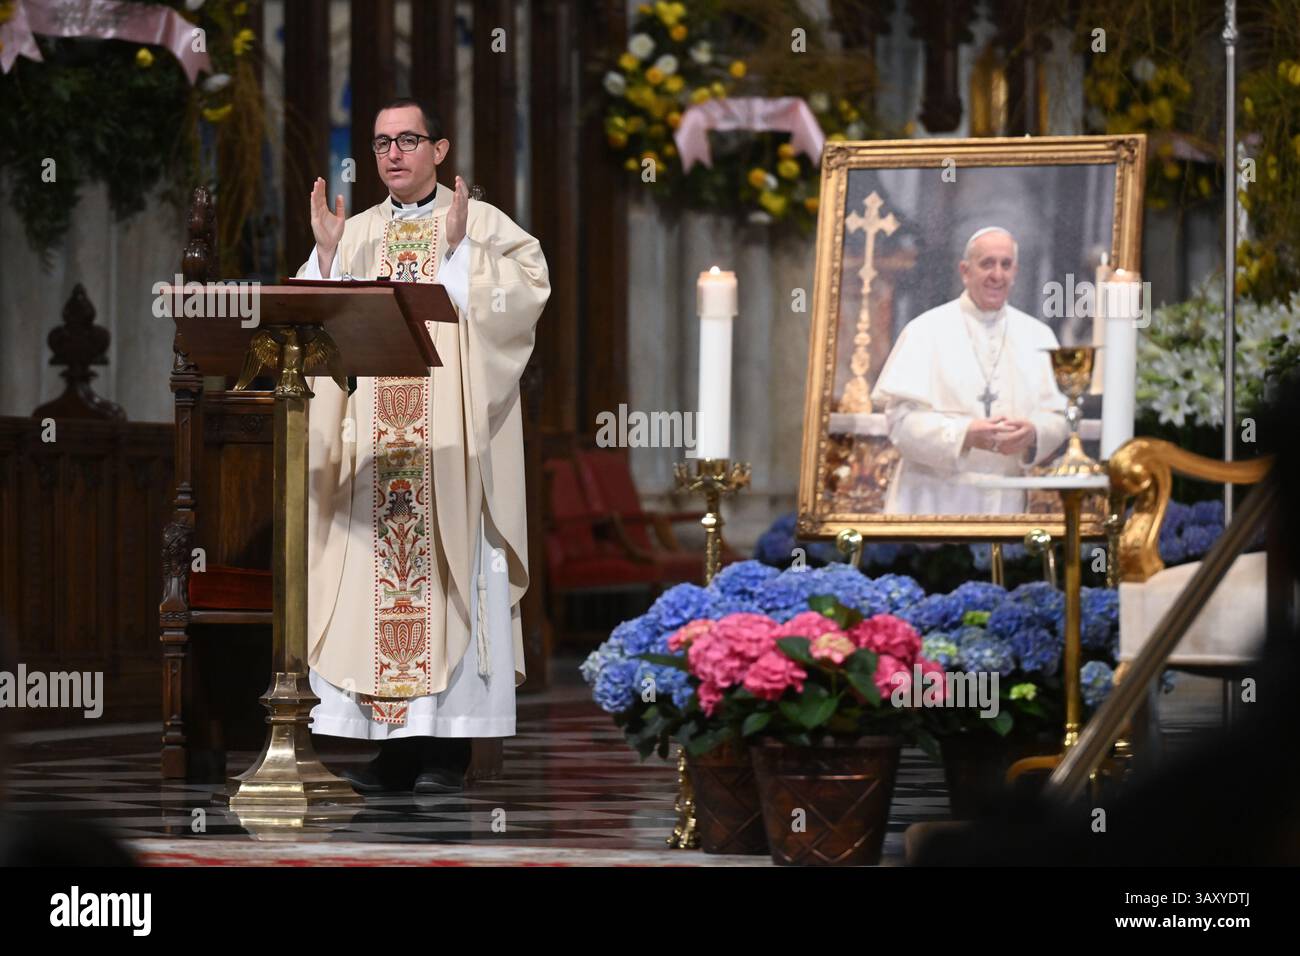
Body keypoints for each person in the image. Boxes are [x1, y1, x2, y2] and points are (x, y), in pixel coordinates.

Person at [297, 97, 549, 794]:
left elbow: (527, 294)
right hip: (374, 448)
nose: (393, 154)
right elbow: (311, 332)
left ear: (439, 149)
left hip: (450, 446)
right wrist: (324, 257)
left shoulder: (482, 221)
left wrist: (465, 253)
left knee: (450, 581)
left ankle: (448, 748)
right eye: (380, 143)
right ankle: (394, 748)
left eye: (408, 140)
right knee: (376, 583)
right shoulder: (357, 233)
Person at [870, 227, 1068, 514]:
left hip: (1006, 502)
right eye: (987, 263)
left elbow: (1060, 416)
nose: (997, 274)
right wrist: (965, 434)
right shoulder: (926, 330)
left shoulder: (1038, 337)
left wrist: (1034, 432)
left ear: (1015, 272)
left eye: (1005, 265)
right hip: (931, 500)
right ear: (965, 270)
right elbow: (901, 424)